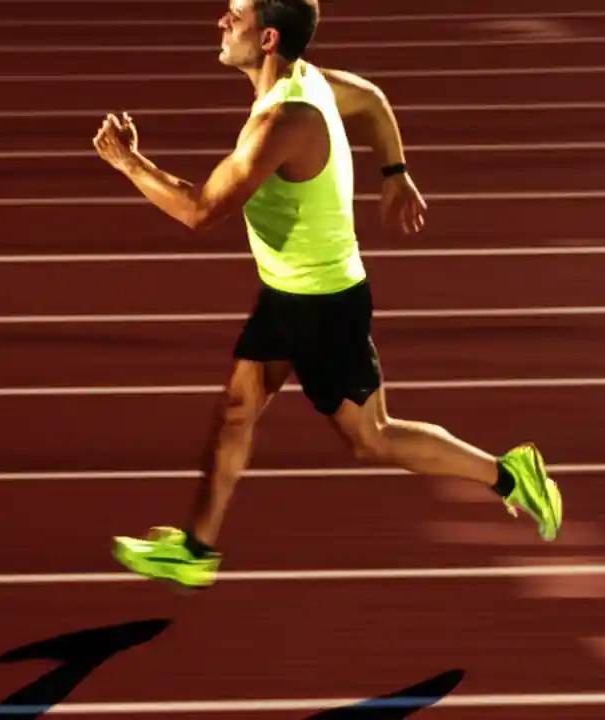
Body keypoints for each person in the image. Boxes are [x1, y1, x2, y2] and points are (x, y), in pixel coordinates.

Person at [92, 0, 562, 589]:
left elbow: (199, 209)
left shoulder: (283, 121)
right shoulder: (304, 79)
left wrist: (128, 162)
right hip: (285, 291)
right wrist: (395, 173)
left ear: (266, 39)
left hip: (324, 306)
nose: (220, 22)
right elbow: (372, 99)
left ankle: (511, 476)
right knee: (236, 411)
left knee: (372, 438)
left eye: (233, 16)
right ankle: (195, 551)